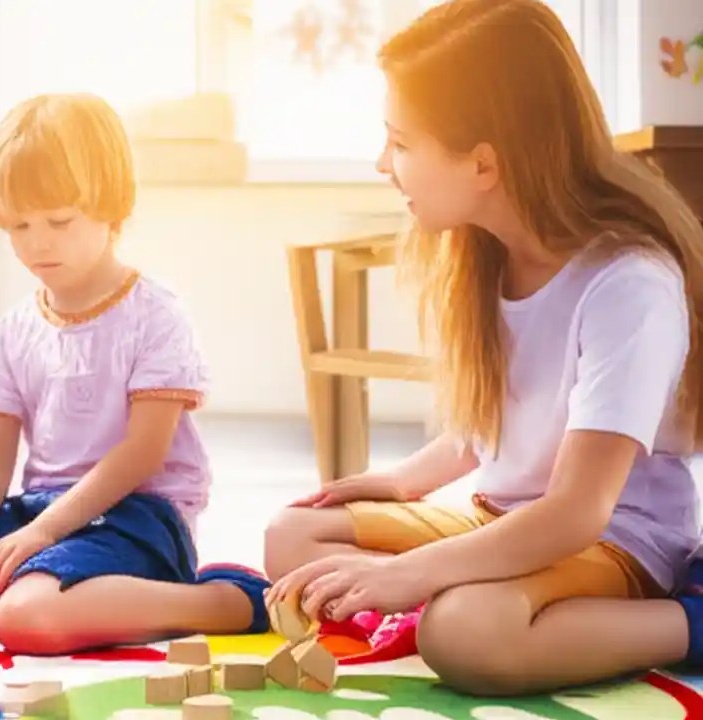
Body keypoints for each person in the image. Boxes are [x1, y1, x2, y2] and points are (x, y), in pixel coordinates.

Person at [264, 0, 703, 696]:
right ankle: (455, 592)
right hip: (501, 519)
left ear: (484, 164)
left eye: (402, 143)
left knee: (465, 632)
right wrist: (406, 482)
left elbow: (575, 512)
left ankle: (689, 621)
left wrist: (405, 574)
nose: (384, 163)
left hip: (609, 538)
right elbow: (498, 420)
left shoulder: (629, 285)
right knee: (292, 540)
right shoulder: (490, 255)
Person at [0, 93, 270, 655]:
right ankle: (66, 594)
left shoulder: (155, 314)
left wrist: (41, 535)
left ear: (112, 208)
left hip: (136, 515)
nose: (37, 241)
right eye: (18, 224)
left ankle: (227, 601)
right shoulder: (14, 328)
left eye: (59, 221)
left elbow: (142, 452)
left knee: (23, 617)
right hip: (43, 508)